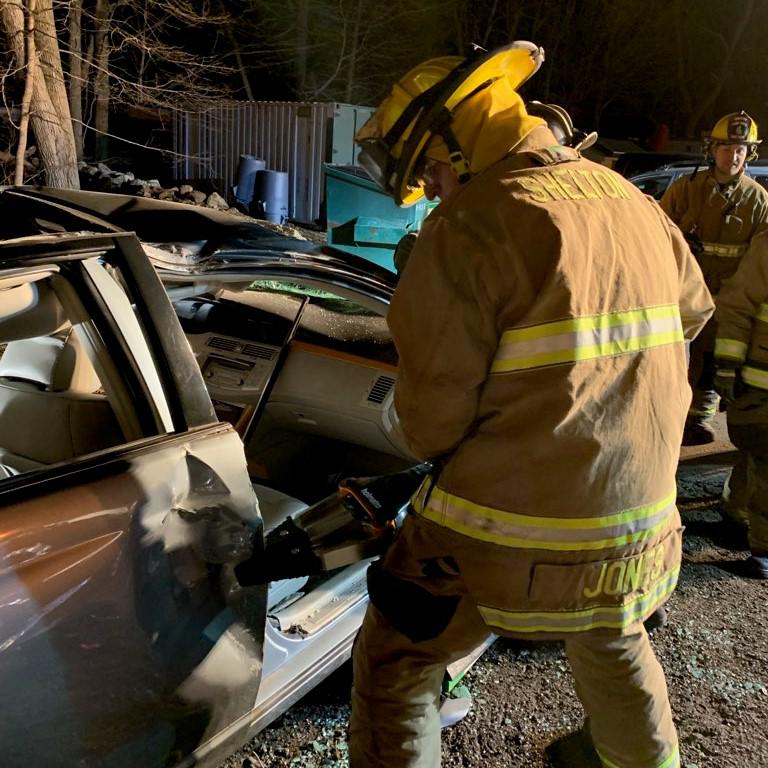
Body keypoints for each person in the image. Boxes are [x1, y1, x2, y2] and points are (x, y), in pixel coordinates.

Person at [350, 41, 713, 768]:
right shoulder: (634, 201)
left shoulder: (472, 223)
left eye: (432, 172)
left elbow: (432, 423)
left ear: (461, 145)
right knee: (611, 633)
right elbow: (694, 312)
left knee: (398, 660)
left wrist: (399, 427)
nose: (435, 191)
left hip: (507, 536)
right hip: (638, 521)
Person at [660, 111, 768, 446]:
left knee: (710, 364)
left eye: (740, 150)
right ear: (712, 150)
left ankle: (699, 419)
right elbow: (657, 232)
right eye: (727, 149)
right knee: (675, 360)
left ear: (748, 154)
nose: (733, 157)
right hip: (682, 296)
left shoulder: (758, 200)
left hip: (726, 301)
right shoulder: (685, 189)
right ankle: (668, 418)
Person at [713, 229, 768, 579]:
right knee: (759, 452)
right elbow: (737, 307)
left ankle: (754, 537)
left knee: (760, 457)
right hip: (761, 384)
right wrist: (727, 365)